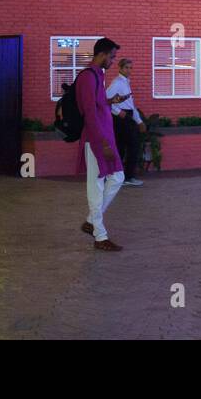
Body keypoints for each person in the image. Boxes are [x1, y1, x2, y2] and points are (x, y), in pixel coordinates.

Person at [76, 37, 125, 251]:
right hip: (96, 139)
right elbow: (89, 113)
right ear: (102, 54)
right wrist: (102, 143)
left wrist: (109, 101)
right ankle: (100, 236)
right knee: (96, 185)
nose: (113, 61)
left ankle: (91, 220)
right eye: (112, 57)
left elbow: (96, 105)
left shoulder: (98, 75)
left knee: (117, 177)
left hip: (104, 137)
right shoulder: (88, 77)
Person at [107, 57, 145, 187]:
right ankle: (123, 176)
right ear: (120, 68)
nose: (129, 70)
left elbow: (131, 104)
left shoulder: (126, 82)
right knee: (125, 146)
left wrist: (139, 121)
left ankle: (123, 176)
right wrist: (118, 112)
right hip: (121, 118)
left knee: (127, 146)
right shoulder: (117, 82)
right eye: (126, 68)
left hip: (127, 115)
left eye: (130, 68)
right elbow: (105, 100)